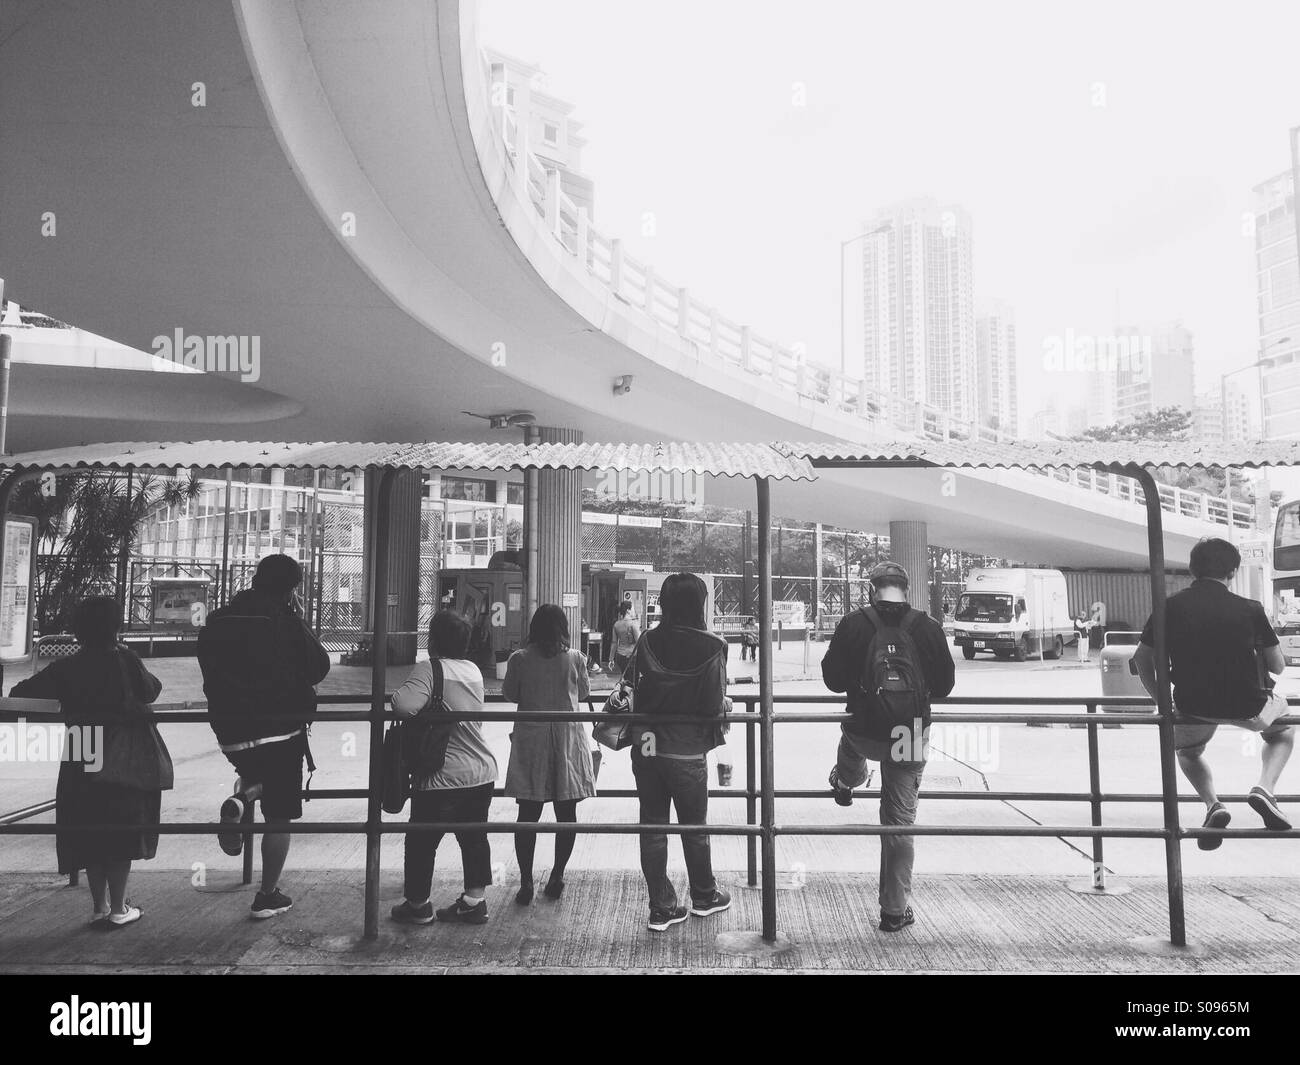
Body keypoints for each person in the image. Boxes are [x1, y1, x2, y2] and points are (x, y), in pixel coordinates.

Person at [12, 597, 165, 929]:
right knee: (121, 828)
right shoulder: (126, 660)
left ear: (79, 631)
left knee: (90, 825)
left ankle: (99, 906)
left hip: (83, 746)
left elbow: (21, 692)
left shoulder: (68, 667)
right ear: (117, 627)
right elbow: (152, 691)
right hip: (122, 752)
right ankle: (120, 908)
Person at [1134, 538, 1294, 849]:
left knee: (1188, 752)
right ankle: (1264, 788)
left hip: (1193, 705)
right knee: (1283, 730)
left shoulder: (1169, 607)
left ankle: (1213, 805)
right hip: (1249, 704)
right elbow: (1277, 667)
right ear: (1232, 572)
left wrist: (1161, 700)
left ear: (1193, 569)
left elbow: (1142, 658)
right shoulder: (1250, 608)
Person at [822, 561, 955, 933]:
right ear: (906, 591)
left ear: (871, 589)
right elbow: (944, 686)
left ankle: (847, 780)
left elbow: (832, 680)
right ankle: (894, 912)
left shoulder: (853, 624)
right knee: (898, 824)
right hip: (908, 733)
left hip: (863, 728)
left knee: (849, 741)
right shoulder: (927, 627)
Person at [197, 553, 330, 920]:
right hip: (281, 730)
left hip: (231, 732)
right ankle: (267, 895)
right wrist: (297, 620)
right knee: (279, 817)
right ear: (291, 591)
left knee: (256, 772)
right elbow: (318, 667)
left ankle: (243, 797)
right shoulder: (284, 621)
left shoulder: (219, 619)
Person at [625, 572, 732, 931]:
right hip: (686, 751)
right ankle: (704, 895)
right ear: (699, 603)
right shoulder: (713, 646)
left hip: (647, 746)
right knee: (694, 827)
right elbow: (712, 707)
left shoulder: (647, 641)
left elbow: (631, 688)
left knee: (653, 826)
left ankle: (662, 906)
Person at [389, 610, 498, 926]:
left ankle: (418, 904)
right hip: (480, 772)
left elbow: (401, 704)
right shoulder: (473, 671)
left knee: (422, 840)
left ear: (433, 640)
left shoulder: (429, 669)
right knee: (474, 838)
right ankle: (474, 902)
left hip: (441, 774)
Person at [502, 604, 596, 904]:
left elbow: (510, 694)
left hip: (531, 743)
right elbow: (583, 694)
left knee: (527, 814)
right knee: (566, 813)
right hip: (566, 743)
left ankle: (526, 882)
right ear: (563, 628)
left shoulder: (519, 659)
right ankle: (557, 876)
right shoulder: (575, 659)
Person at [609, 600, 640, 674]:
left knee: (625, 677)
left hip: (620, 655)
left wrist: (611, 659)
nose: (634, 611)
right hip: (632, 656)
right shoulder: (633, 624)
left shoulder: (616, 624)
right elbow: (639, 642)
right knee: (632, 681)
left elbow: (614, 643)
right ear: (628, 610)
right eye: (632, 609)